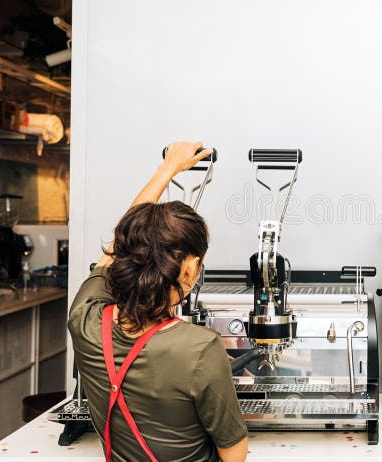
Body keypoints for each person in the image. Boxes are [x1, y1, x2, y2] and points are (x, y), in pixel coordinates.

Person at [68, 141, 248, 462]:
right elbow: (234, 454)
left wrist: (167, 170)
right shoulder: (201, 347)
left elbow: (114, 251)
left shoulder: (85, 320)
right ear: (191, 267)